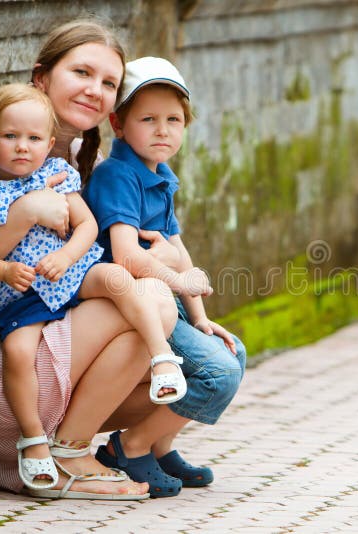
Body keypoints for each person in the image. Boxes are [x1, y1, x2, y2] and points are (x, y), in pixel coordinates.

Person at [0, 20, 183, 500]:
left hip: (46, 316)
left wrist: (167, 254)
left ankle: (75, 448)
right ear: (42, 77)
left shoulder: (63, 154)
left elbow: (90, 245)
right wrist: (25, 214)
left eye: (109, 83)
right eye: (82, 72)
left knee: (180, 363)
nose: (95, 90)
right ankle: (67, 453)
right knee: (154, 302)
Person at [83, 57, 247, 496]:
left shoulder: (159, 175)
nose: (163, 130)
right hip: (136, 303)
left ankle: (159, 445)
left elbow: (177, 250)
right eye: (149, 119)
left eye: (174, 120)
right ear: (118, 124)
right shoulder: (117, 176)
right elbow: (124, 255)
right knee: (220, 375)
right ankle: (128, 447)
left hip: (166, 297)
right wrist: (181, 282)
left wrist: (200, 316)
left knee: (234, 352)